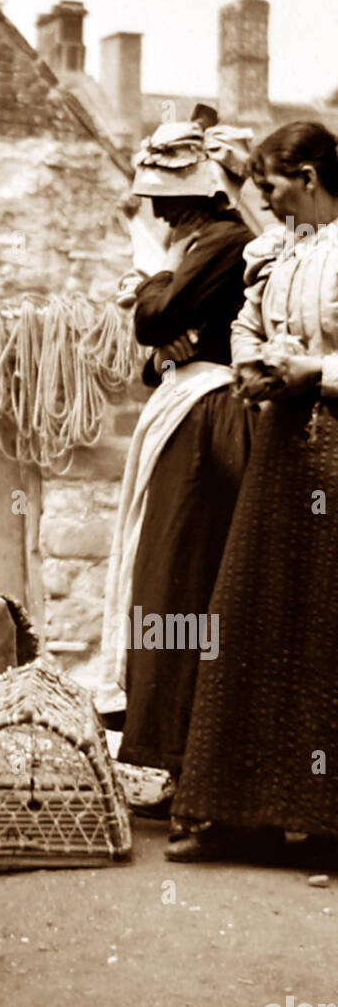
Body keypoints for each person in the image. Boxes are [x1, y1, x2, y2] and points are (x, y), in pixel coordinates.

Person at [170, 121, 338, 861]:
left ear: (306, 175)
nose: (259, 204)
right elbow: (244, 322)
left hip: (336, 447)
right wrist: (250, 364)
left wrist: (319, 376)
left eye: (267, 187)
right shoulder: (281, 251)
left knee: (324, 628)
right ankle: (238, 813)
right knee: (254, 616)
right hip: (280, 447)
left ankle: (322, 822)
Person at [93, 118, 256, 810]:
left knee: (178, 574)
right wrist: (161, 316)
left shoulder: (224, 243)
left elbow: (156, 317)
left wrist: (158, 292)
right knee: (159, 578)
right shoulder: (201, 244)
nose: (160, 215)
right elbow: (151, 350)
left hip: (208, 413)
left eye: (167, 202)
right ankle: (166, 753)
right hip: (181, 406)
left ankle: (180, 755)